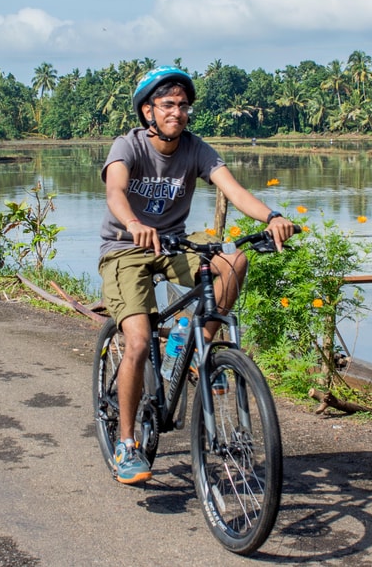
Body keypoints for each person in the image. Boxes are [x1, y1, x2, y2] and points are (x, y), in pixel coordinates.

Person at [97, 66, 295, 484]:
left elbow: (234, 190)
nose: (178, 112)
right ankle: (127, 444)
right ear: (148, 110)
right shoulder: (127, 146)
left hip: (173, 245)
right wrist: (133, 223)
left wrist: (272, 216)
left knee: (233, 261)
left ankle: (197, 347)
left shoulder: (196, 148)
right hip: (125, 249)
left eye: (184, 105)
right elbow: (115, 190)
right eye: (168, 104)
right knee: (137, 338)